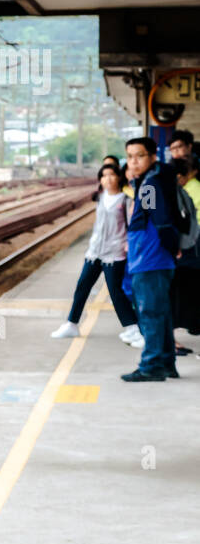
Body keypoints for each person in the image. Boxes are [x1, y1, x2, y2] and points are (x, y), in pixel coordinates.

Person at [52, 163, 139, 343]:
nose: (108, 179)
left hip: (114, 253)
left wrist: (128, 246)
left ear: (119, 177)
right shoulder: (100, 197)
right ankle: (71, 324)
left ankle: (133, 328)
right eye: (104, 175)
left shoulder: (125, 199)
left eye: (112, 175)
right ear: (100, 179)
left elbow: (131, 227)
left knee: (116, 291)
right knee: (82, 286)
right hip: (94, 252)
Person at [121, 137, 180, 381]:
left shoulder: (149, 186)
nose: (133, 161)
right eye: (130, 156)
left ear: (153, 157)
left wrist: (170, 247)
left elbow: (160, 220)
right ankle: (165, 362)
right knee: (161, 313)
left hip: (150, 258)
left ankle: (152, 365)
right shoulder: (150, 182)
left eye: (140, 156)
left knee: (151, 313)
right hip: (153, 257)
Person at [170, 152, 200, 340]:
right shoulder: (181, 191)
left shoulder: (185, 191)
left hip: (183, 250)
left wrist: (177, 246)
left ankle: (169, 342)